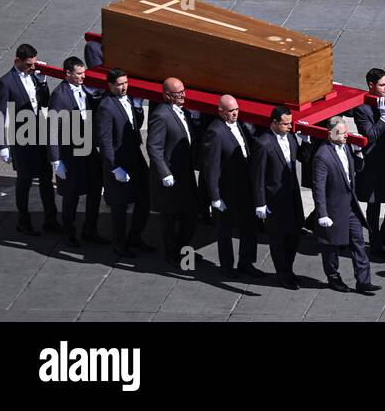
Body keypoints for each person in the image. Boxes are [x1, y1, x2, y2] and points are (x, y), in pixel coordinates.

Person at [0, 43, 60, 236]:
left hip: (40, 135)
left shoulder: (34, 76)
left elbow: (45, 102)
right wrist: (2, 146)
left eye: (34, 64)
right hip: (22, 139)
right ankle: (23, 221)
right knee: (24, 181)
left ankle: (51, 219)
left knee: (46, 179)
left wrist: (43, 81)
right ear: (17, 61)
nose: (33, 67)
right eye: (29, 64)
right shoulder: (5, 82)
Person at [312, 116, 379, 294]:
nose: (345, 136)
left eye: (346, 132)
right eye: (341, 133)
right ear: (330, 133)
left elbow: (356, 169)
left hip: (350, 206)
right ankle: (333, 278)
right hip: (333, 209)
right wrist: (322, 214)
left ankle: (364, 281)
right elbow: (318, 188)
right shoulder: (322, 156)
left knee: (358, 242)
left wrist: (357, 154)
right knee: (331, 246)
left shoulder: (347, 146)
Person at [94, 67, 154, 258]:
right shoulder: (106, 107)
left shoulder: (127, 98)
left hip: (135, 156)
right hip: (119, 162)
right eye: (119, 84)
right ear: (110, 85)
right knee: (120, 206)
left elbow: (133, 123)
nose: (124, 87)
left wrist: (137, 108)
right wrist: (114, 167)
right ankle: (119, 243)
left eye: (125, 83)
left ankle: (135, 235)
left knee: (145, 196)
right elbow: (105, 142)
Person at [200, 94, 262, 278]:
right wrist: (215, 197)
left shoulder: (240, 125)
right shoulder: (215, 132)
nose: (235, 114)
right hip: (226, 191)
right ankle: (226, 266)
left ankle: (246, 262)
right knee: (225, 230)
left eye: (236, 110)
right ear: (220, 111)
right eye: (230, 111)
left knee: (249, 226)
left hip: (245, 187)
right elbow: (211, 167)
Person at [48, 57, 107, 247]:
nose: (83, 77)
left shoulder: (85, 90)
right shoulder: (59, 96)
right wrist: (56, 160)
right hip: (70, 153)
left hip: (88, 149)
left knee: (95, 188)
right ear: (68, 74)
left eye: (84, 73)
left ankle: (90, 229)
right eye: (79, 74)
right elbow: (52, 129)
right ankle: (68, 232)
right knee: (71, 195)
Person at [350, 67, 385, 261]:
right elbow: (371, 136)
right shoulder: (362, 108)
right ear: (371, 85)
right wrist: (382, 119)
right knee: (374, 204)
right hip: (374, 163)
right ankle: (375, 243)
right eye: (382, 85)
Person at [252, 105, 310, 289]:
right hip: (274, 200)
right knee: (278, 239)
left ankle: (289, 270)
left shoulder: (291, 137)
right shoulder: (263, 143)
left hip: (292, 195)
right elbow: (257, 176)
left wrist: (306, 142)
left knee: (293, 236)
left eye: (291, 124)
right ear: (275, 123)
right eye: (286, 124)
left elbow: (302, 157)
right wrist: (260, 203)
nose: (290, 127)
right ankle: (282, 275)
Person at [147, 76, 200, 265]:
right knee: (170, 217)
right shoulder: (161, 115)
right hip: (170, 176)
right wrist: (165, 173)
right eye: (178, 93)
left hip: (184, 173)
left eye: (183, 91)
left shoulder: (181, 111)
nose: (183, 96)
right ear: (167, 95)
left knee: (190, 215)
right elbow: (154, 147)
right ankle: (173, 254)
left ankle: (182, 248)